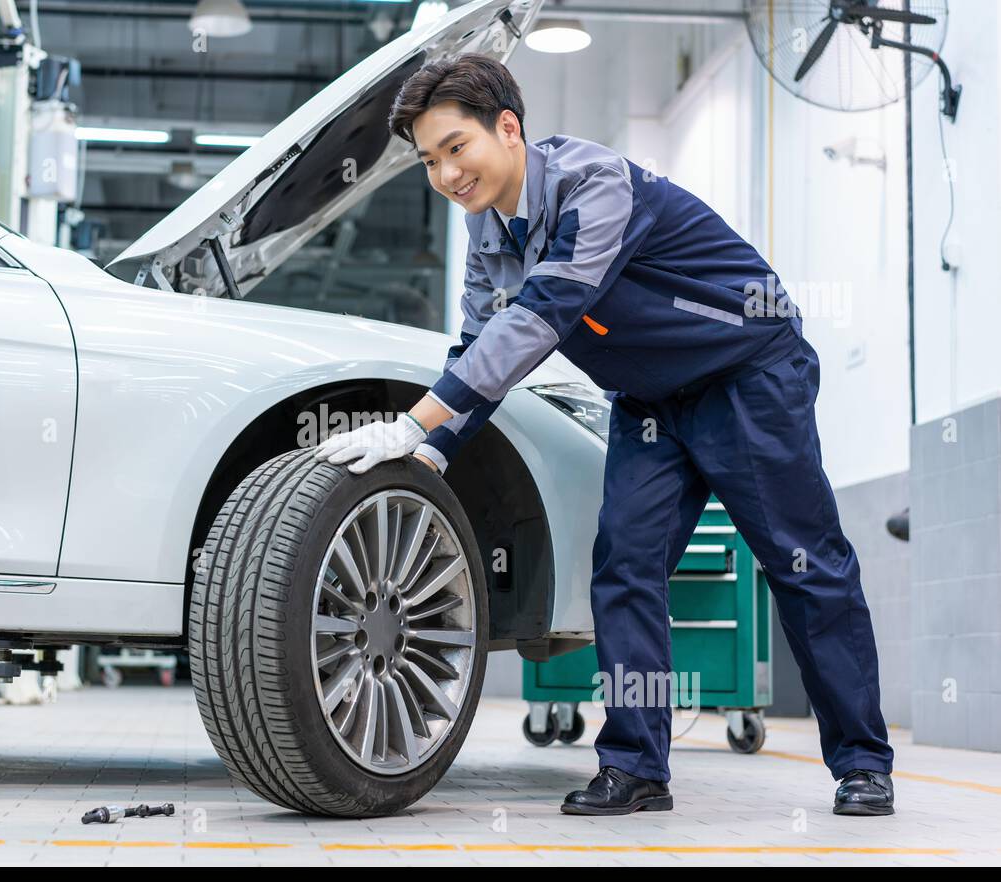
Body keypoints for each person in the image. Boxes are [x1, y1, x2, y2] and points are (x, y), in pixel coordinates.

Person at [314, 53, 895, 817]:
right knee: (624, 565)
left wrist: (413, 419)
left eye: (457, 148)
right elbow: (476, 353)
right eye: (429, 161)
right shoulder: (488, 236)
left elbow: (541, 316)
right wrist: (428, 454)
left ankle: (862, 762)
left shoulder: (596, 184)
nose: (446, 174)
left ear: (509, 128)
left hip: (746, 372)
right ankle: (636, 767)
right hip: (650, 398)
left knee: (804, 560)